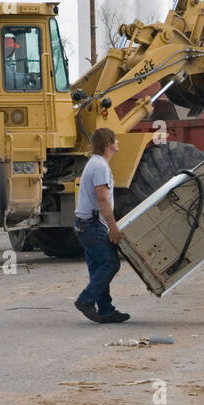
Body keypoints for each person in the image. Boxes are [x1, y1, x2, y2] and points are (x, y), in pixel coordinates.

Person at [73, 127, 129, 323]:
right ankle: (85, 300)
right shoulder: (100, 167)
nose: (118, 143)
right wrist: (113, 227)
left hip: (87, 224)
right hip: (92, 225)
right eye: (116, 140)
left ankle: (106, 310)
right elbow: (103, 199)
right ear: (108, 143)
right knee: (110, 263)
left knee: (98, 267)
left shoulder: (95, 163)